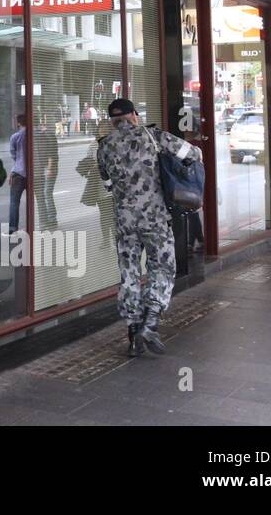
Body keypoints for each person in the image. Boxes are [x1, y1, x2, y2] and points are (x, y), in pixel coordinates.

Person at [97, 97, 202, 357]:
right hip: (154, 217)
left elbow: (107, 185)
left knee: (129, 274)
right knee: (163, 266)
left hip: (124, 221)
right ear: (134, 115)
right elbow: (193, 154)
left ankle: (133, 334)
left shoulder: (104, 147)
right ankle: (151, 321)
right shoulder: (154, 136)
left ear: (112, 120)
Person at [7, 114, 27, 231]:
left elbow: (14, 155)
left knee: (14, 202)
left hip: (18, 173)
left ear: (19, 123)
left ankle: (13, 228)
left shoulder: (15, 137)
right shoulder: (33, 136)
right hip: (31, 174)